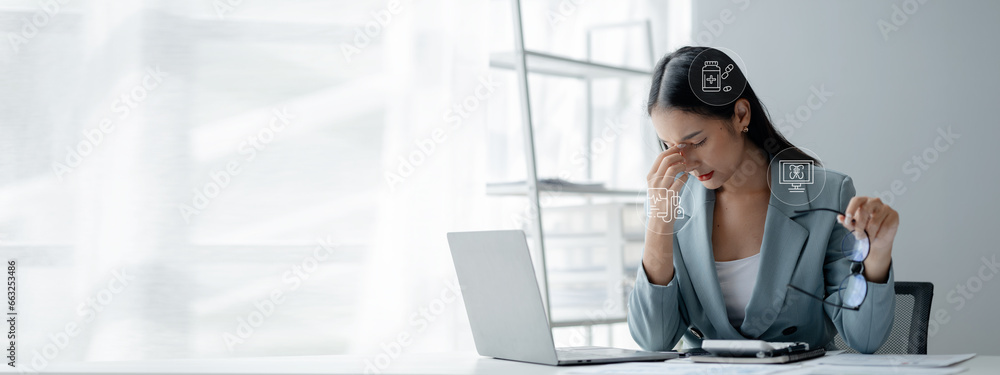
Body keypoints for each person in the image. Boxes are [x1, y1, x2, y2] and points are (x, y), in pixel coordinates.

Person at [627, 46, 899, 354]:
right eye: (669, 145)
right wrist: (658, 226)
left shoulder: (825, 193)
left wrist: (876, 255)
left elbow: (865, 339)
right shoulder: (672, 202)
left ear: (741, 115)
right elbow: (653, 340)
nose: (685, 161)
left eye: (697, 141)